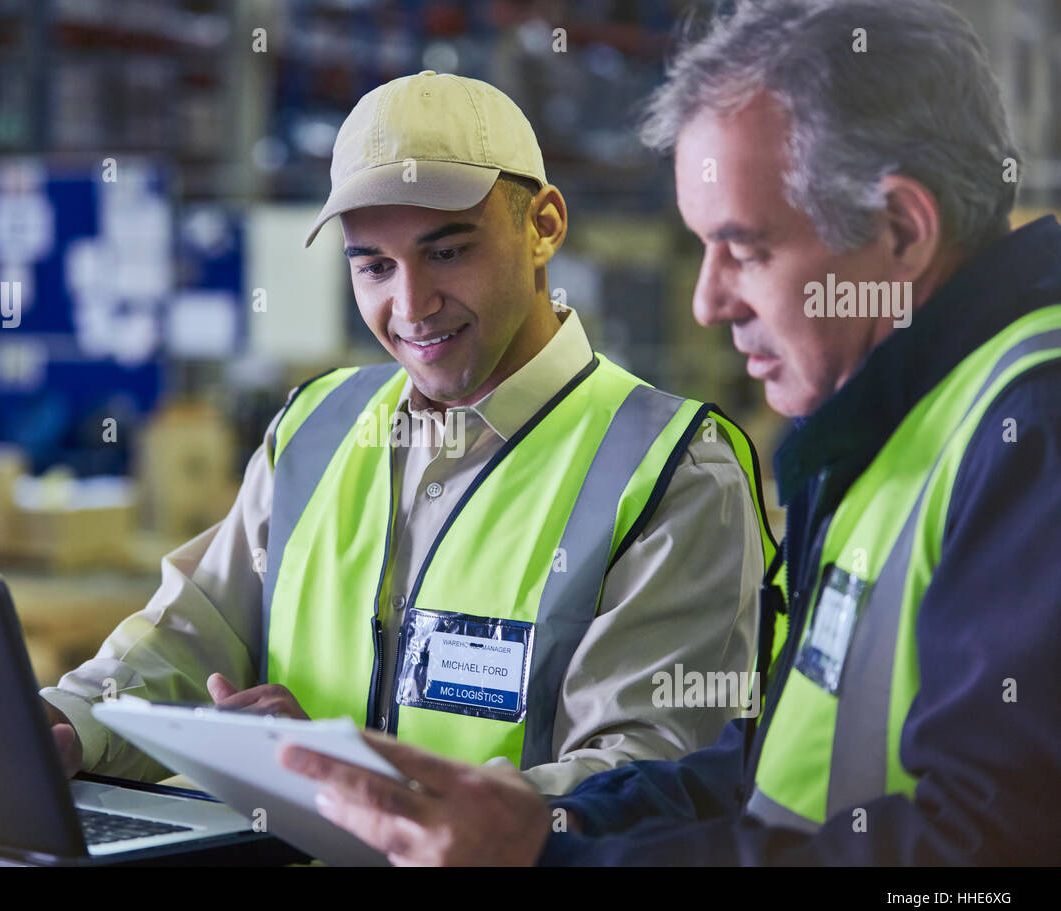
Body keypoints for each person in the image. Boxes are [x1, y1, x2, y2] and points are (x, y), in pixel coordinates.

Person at [281, 0, 1061, 864]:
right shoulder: (891, 430)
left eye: (746, 250)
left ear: (901, 231)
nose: (707, 301)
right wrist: (551, 824)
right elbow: (769, 773)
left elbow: (976, 870)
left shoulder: (1034, 429)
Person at [41, 71, 777, 795]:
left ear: (544, 225)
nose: (412, 304)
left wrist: (371, 793)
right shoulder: (313, 430)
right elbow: (191, 633)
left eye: (448, 251)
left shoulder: (676, 471)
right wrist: (69, 722)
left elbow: (646, 781)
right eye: (374, 267)